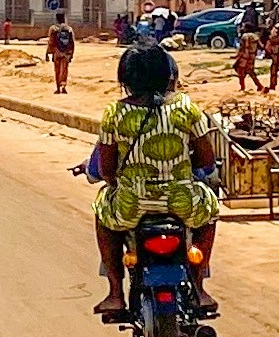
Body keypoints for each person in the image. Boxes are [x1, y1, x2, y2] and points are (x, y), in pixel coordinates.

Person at [86, 40, 221, 319]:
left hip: (131, 206)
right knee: (209, 211)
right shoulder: (186, 108)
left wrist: (117, 181)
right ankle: (199, 286)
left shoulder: (115, 113)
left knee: (102, 213)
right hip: (183, 203)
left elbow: (107, 168)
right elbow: (207, 161)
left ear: (125, 78)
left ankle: (114, 293)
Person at [45, 16, 76, 93]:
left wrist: (48, 53)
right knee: (64, 70)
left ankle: (58, 88)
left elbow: (51, 42)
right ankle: (63, 87)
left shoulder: (53, 28)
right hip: (66, 53)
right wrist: (71, 54)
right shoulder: (69, 29)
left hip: (57, 53)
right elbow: (72, 42)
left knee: (57, 70)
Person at [234, 18, 263, 94]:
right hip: (252, 56)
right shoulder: (255, 37)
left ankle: (242, 87)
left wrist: (237, 56)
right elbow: (261, 46)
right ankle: (259, 85)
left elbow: (242, 48)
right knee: (250, 71)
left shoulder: (244, 36)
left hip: (244, 56)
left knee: (240, 71)